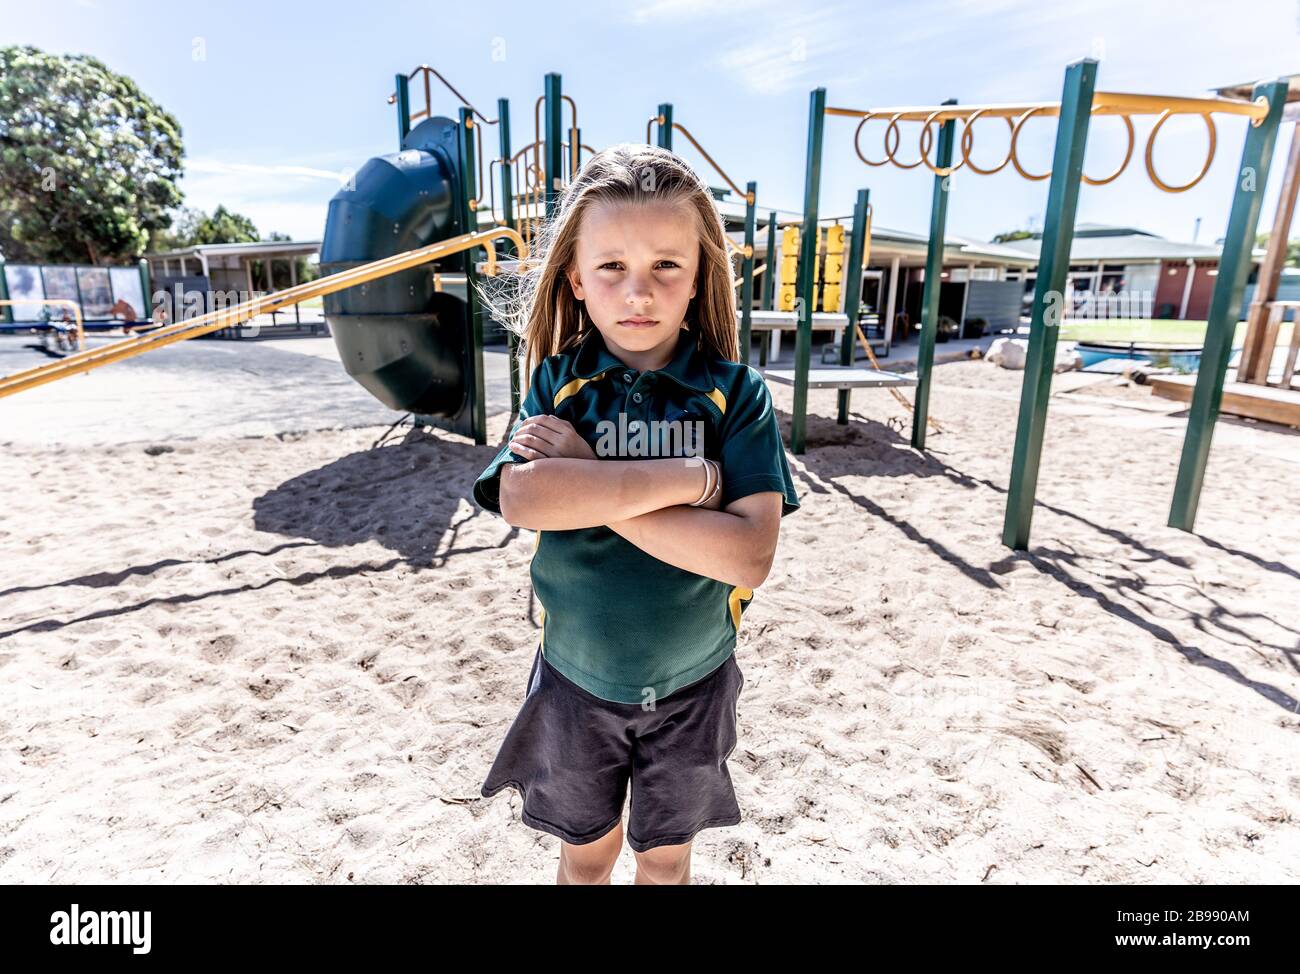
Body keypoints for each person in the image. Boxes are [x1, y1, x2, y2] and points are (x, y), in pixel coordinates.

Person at [472, 142, 800, 885]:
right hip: (574, 682)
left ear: (698, 279)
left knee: (664, 860)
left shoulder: (736, 394)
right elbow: (525, 499)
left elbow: (748, 556)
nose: (639, 292)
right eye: (612, 266)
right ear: (577, 279)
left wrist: (589, 478)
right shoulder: (559, 382)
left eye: (665, 267)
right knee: (587, 859)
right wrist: (692, 480)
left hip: (694, 683)